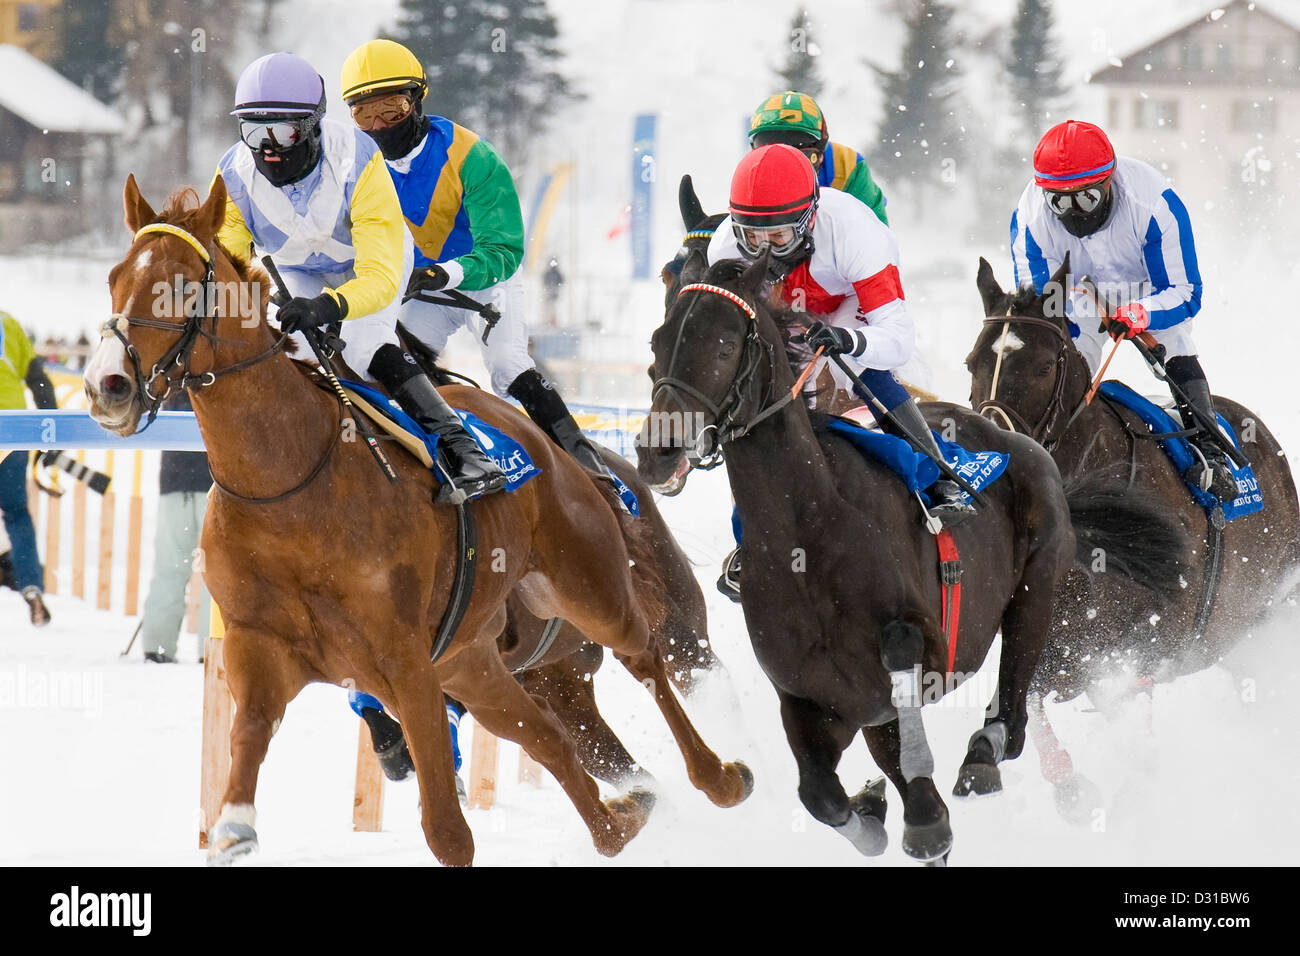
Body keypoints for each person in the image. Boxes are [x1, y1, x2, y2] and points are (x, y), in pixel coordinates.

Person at [215, 51, 505, 502]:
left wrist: (327, 306)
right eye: (254, 131)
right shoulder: (233, 174)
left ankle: (464, 450)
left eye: (285, 130)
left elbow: (380, 277)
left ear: (313, 124)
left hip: (372, 263)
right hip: (295, 269)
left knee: (364, 343)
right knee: (291, 347)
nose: (268, 146)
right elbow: (226, 269)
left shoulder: (358, 159)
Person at [338, 39, 617, 486]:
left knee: (507, 368)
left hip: (485, 283)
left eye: (391, 109)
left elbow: (503, 251)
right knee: (377, 356)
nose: (378, 125)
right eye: (363, 114)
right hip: (423, 291)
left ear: (418, 99)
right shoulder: (354, 167)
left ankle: (591, 469)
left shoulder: (474, 157)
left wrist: (442, 272)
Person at [707, 144, 972, 598]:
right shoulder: (724, 248)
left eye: (779, 238)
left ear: (809, 219)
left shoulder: (854, 231)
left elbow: (897, 338)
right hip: (780, 310)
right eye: (753, 238)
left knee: (855, 368)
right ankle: (750, 540)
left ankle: (938, 474)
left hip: (847, 301)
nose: (764, 251)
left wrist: (848, 340)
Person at [1010, 120, 1235, 500]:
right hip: (1077, 293)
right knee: (1058, 362)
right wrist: (1075, 319)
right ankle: (1035, 454)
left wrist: (1142, 313)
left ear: (1109, 181)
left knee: (1175, 343)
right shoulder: (1030, 219)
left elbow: (1186, 291)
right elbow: (1044, 307)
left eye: (1086, 199)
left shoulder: (1155, 203)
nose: (1073, 213)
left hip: (1149, 289)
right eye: (1059, 201)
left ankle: (1211, 454)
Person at [139, 391, 211, 663]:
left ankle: (157, 645)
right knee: (215, 573)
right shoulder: (214, 379)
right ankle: (211, 646)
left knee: (168, 569)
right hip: (213, 487)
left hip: (174, 483)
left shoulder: (170, 384)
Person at [748, 90, 888, 225]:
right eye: (769, 151)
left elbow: (876, 233)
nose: (784, 166)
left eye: (800, 154)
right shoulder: (751, 173)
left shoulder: (848, 167)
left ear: (821, 152)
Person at [0, 310, 54, 626]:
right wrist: (53, 433)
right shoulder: (8, 324)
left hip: (12, 430)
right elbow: (39, 381)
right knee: (17, 513)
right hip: (13, 429)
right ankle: (31, 587)